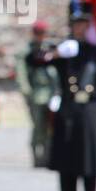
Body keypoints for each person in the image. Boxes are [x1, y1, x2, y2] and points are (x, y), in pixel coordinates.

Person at [29, 2, 96, 191]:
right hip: (67, 115)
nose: (79, 28)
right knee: (67, 175)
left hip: (89, 114)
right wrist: (56, 53)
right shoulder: (63, 51)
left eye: (83, 24)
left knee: (89, 175)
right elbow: (34, 61)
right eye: (76, 24)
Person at [16, 20, 58, 168]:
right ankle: (37, 155)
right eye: (38, 33)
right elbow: (21, 74)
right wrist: (27, 92)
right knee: (38, 126)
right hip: (37, 93)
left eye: (43, 33)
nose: (41, 36)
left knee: (50, 128)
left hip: (52, 94)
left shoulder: (50, 49)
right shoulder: (27, 52)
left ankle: (47, 156)